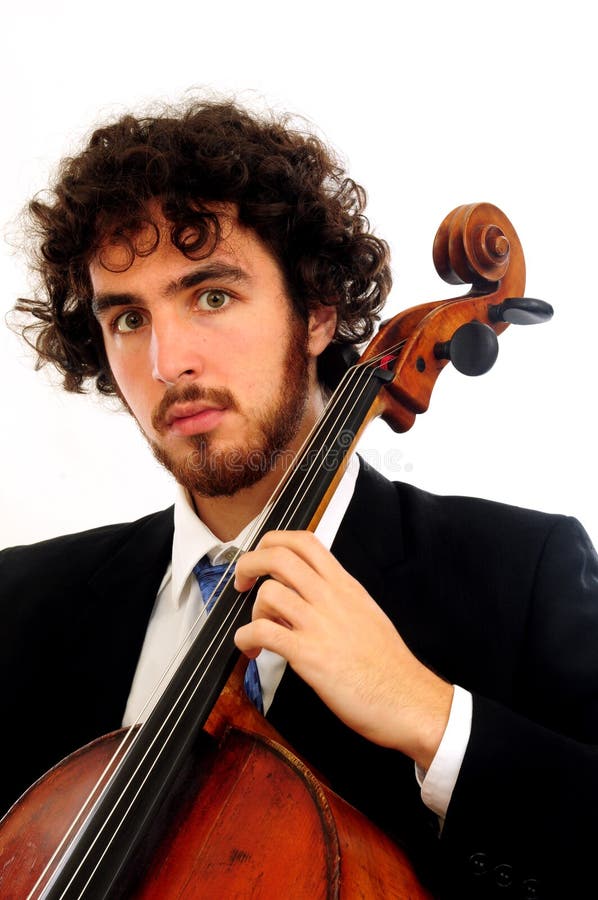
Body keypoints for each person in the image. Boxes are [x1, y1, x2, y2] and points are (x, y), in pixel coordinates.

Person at [1, 98, 597, 899]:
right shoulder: (20, 604)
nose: (167, 360)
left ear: (317, 311)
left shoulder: (519, 573)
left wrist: (429, 714)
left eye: (211, 296)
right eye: (129, 318)